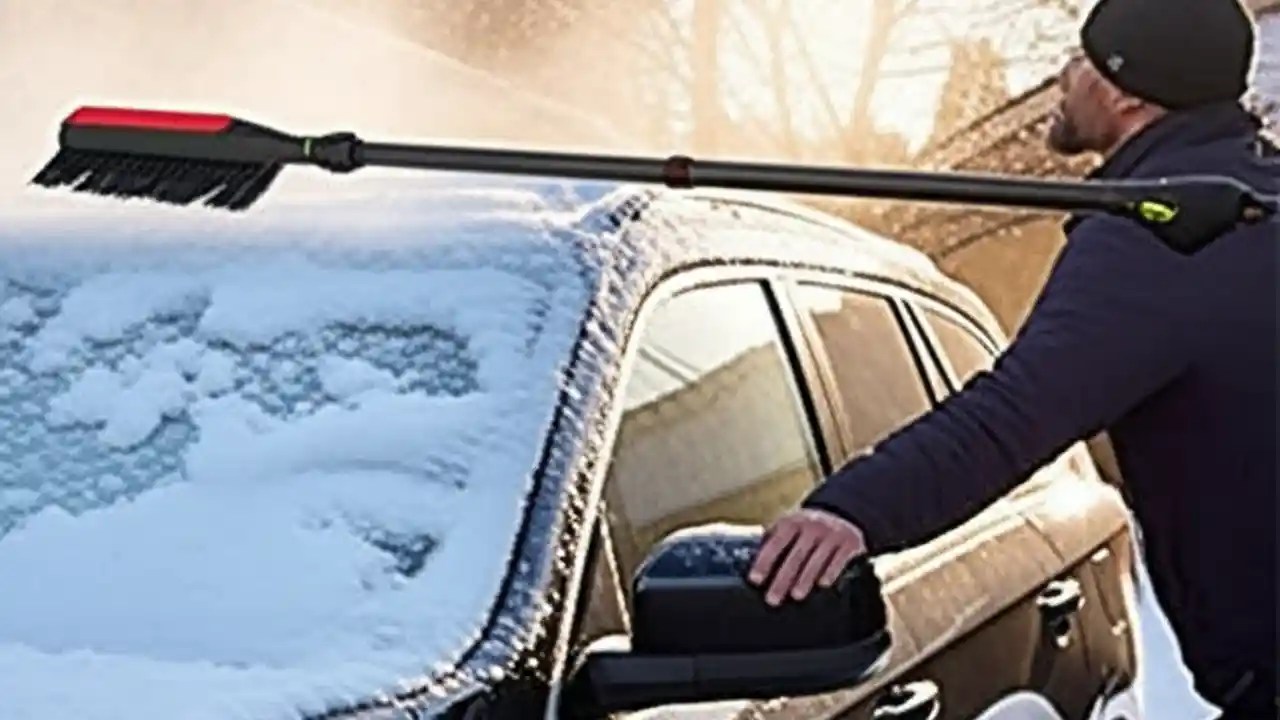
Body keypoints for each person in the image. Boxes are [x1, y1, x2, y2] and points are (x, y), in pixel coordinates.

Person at [747, 0, 1278, 717]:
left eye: (1084, 59)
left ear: (1126, 94)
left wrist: (852, 511)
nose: (1065, 73)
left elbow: (1012, 415)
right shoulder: (1251, 197)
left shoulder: (1163, 241)